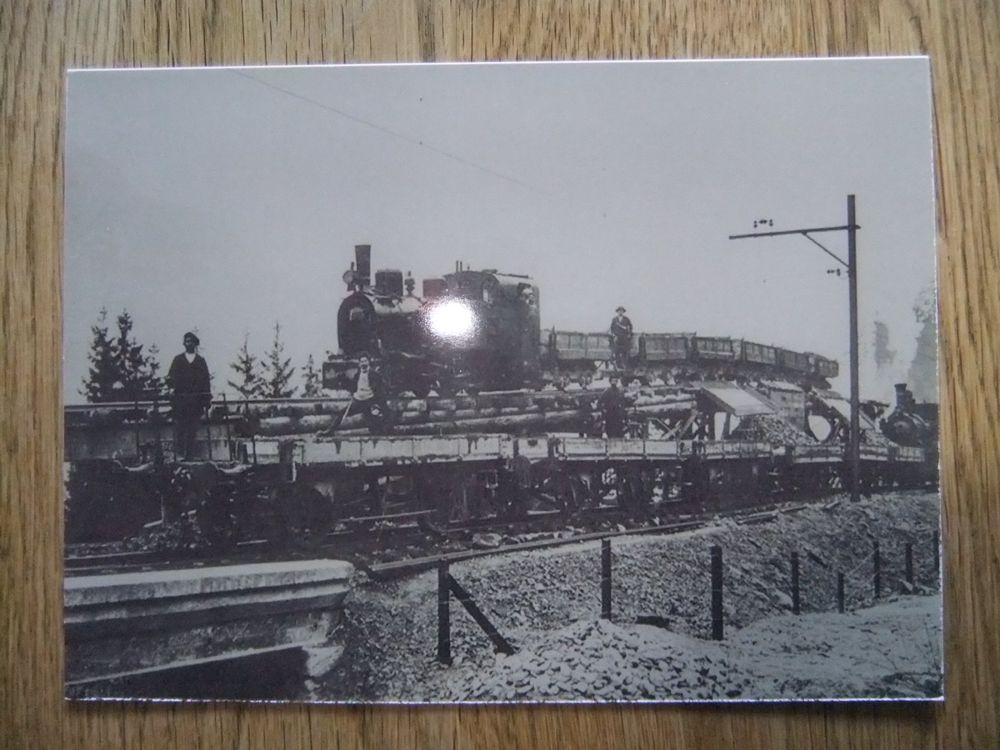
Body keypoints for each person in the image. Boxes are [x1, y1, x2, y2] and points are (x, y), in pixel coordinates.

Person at [166, 332, 211, 460]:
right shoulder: (178, 360)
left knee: (192, 429)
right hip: (181, 401)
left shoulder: (201, 361)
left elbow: (206, 381)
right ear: (184, 343)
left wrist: (206, 400)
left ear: (195, 344)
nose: (189, 343)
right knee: (180, 428)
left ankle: (190, 455)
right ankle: (180, 454)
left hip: (195, 401)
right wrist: (171, 387)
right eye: (187, 341)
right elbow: (170, 377)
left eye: (191, 341)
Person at [338, 353, 391, 433]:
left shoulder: (374, 374)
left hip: (370, 400)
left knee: (374, 418)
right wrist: (343, 380)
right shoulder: (358, 374)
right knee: (342, 412)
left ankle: (383, 432)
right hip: (358, 400)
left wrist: (377, 404)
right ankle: (329, 431)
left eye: (365, 361)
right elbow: (353, 387)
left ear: (368, 362)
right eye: (361, 361)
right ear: (359, 364)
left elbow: (380, 389)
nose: (363, 363)